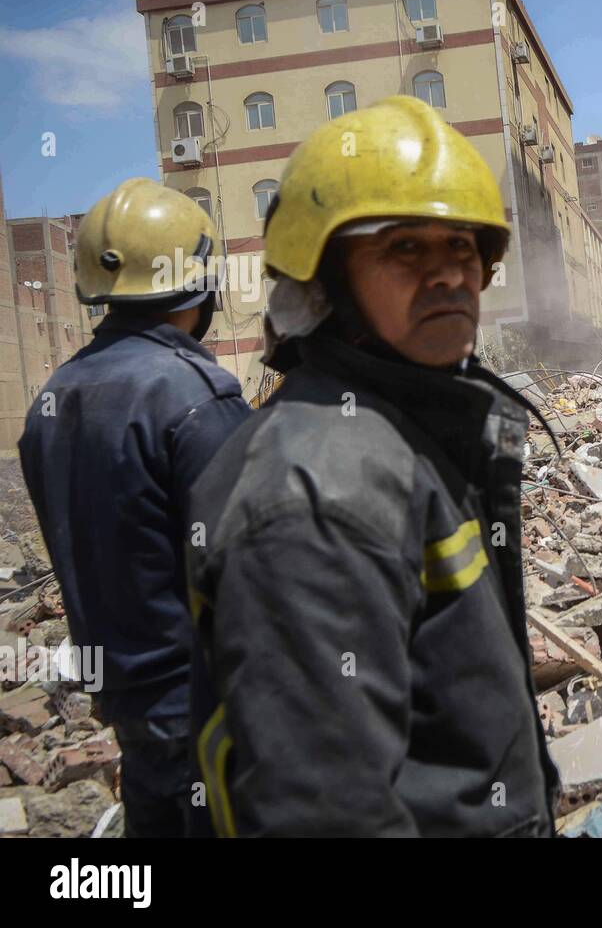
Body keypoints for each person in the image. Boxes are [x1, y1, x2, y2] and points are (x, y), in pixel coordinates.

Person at [185, 95, 559, 837]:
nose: (450, 273)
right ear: (326, 285)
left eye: (461, 247)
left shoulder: (403, 428)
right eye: (405, 249)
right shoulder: (313, 494)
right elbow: (326, 812)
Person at [18, 178, 250, 837]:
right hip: (216, 721)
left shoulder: (52, 403)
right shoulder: (197, 396)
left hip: (133, 720)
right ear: (198, 285)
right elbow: (255, 572)